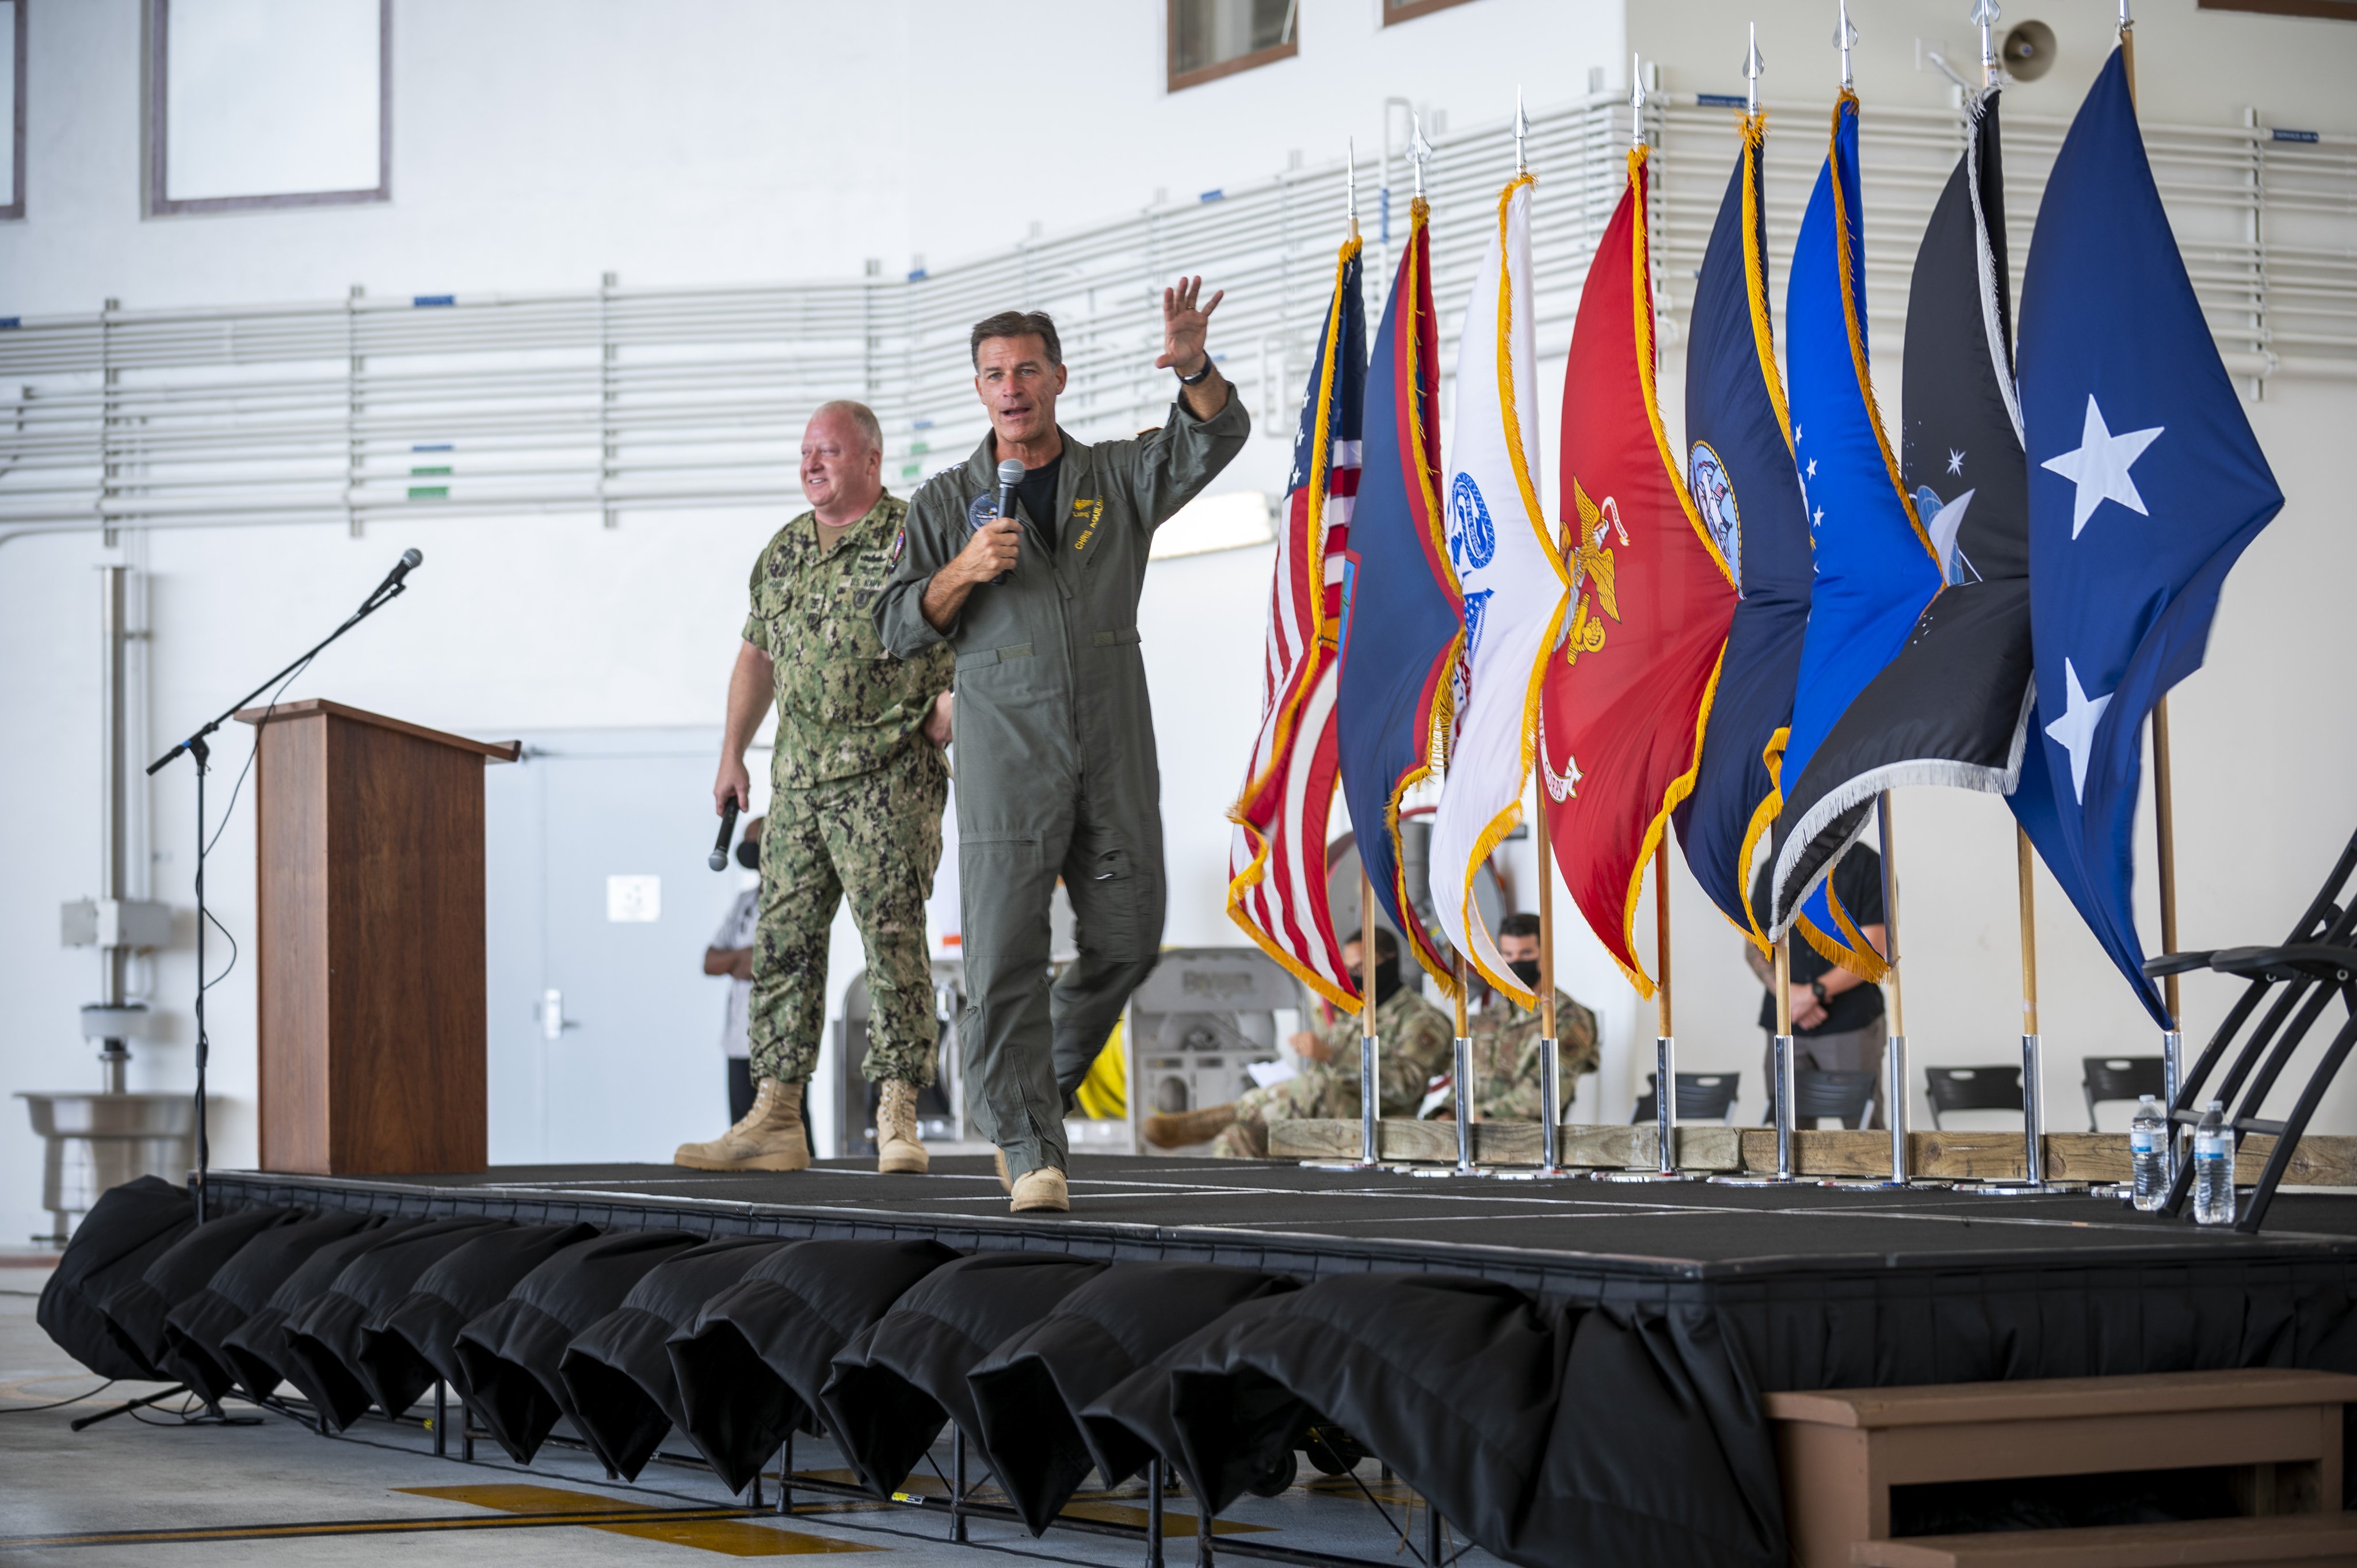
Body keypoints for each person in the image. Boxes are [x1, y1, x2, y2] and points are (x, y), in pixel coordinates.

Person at [874, 284, 1249, 1213]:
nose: (1013, 388)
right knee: (1004, 953)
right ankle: (1030, 1146)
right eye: (995, 375)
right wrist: (964, 568)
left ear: (1058, 378)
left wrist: (1193, 366)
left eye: (1028, 370)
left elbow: (1211, 440)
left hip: (1114, 737)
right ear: (978, 389)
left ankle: (1020, 1085)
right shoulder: (946, 502)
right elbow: (892, 625)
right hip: (1007, 746)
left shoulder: (1115, 478)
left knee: (1128, 940)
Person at [677, 400, 956, 1176]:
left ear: (871, 458)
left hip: (888, 775)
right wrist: (732, 753)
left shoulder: (918, 532)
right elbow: (757, 658)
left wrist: (954, 697)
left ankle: (898, 1112)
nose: (811, 464)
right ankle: (774, 1115)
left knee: (892, 941)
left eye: (828, 451)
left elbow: (985, 617)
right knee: (783, 944)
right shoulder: (785, 551)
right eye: (805, 452)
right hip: (797, 782)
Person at [1141, 927, 1454, 1158]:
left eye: (1361, 968)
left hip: (1375, 1121)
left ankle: (1210, 1119)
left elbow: (1407, 1086)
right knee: (1237, 1138)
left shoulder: (1421, 1020)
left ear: (1389, 961)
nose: (1355, 976)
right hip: (1325, 1116)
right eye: (1350, 970)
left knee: (1318, 1088)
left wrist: (1332, 1055)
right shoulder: (1357, 1014)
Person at [1746, 848, 1890, 1128]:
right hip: (1786, 1025)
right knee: (1788, 1138)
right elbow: (1754, 944)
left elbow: (1872, 951)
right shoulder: (1775, 869)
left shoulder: (1871, 866)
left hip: (1852, 1023)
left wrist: (1811, 994)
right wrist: (1789, 997)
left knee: (1865, 1134)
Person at [1440, 912, 1601, 1123]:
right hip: (1470, 1134)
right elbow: (1462, 1080)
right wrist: (1447, 1113)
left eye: (1526, 954)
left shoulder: (1565, 1018)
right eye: (1508, 954)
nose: (1516, 962)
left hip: (1524, 1139)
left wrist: (1483, 1116)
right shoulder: (1489, 1016)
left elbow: (1546, 1093)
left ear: (1545, 954)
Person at [704, 814, 765, 1124]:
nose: (748, 848)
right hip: (738, 1037)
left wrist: (750, 960)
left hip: (776, 1042)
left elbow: (767, 965)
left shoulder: (794, 901)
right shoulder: (745, 901)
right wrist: (741, 956)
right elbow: (710, 961)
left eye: (754, 840)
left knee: (787, 1130)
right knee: (741, 1128)